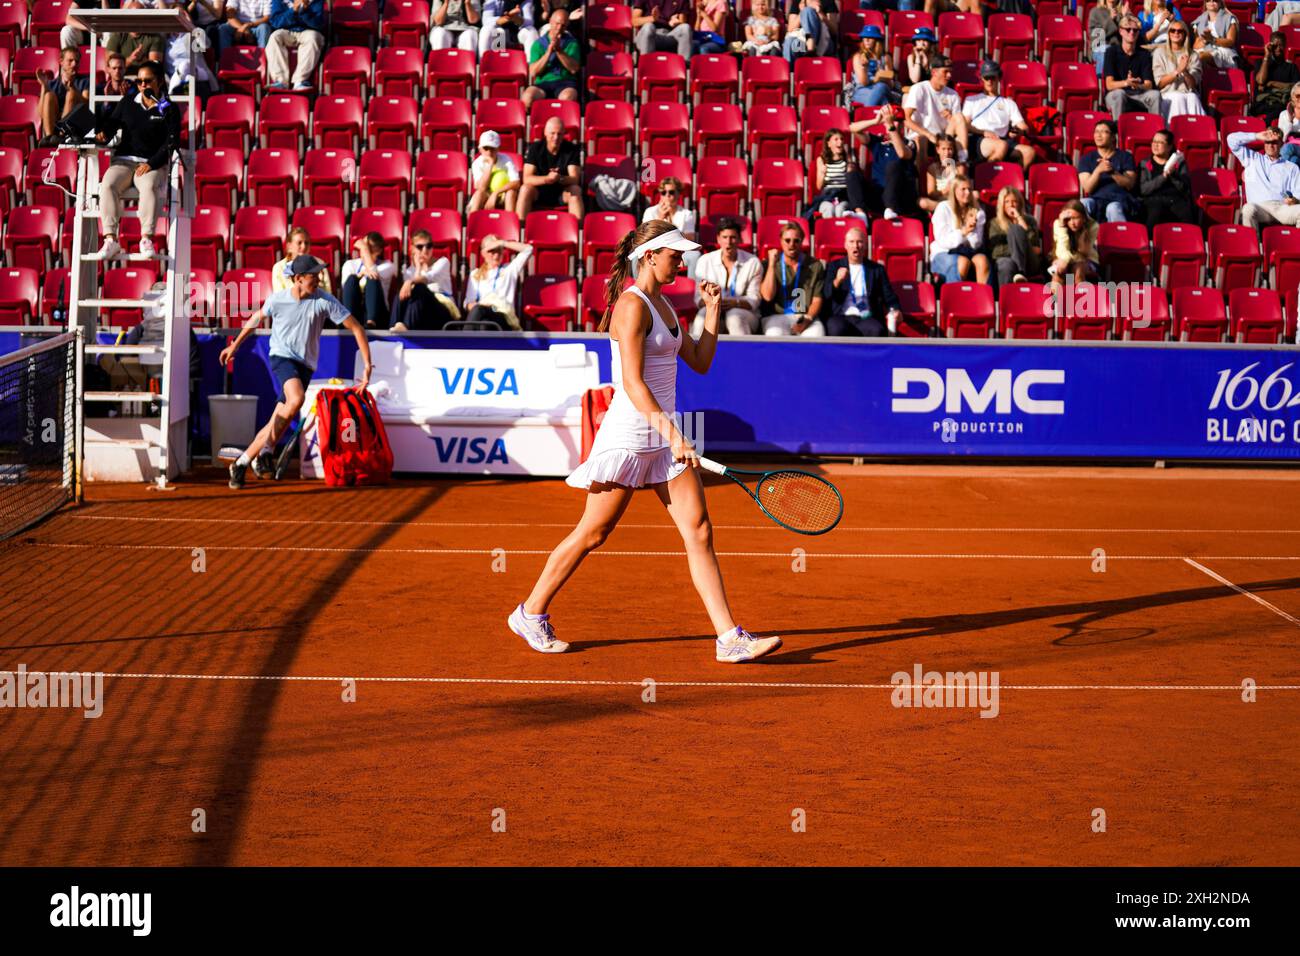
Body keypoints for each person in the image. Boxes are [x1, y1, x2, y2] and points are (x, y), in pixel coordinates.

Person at [510, 220, 783, 663]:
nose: (683, 259)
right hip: (631, 436)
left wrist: (711, 311)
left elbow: (700, 361)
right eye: (675, 253)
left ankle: (729, 637)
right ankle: (530, 612)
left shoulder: (666, 306)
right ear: (650, 256)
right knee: (594, 532)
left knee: (699, 530)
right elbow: (634, 384)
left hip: (665, 437)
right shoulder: (632, 307)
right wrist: (676, 436)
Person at [219, 254, 374, 489]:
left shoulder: (325, 300)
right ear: (299, 279)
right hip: (281, 357)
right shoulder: (278, 299)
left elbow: (357, 328)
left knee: (279, 416)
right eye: (314, 275)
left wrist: (367, 364)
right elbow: (255, 319)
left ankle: (241, 462)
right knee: (297, 398)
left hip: (305, 365)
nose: (319, 278)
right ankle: (267, 452)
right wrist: (234, 345)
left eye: (320, 273)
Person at [94, 61, 181, 261]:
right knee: (107, 184)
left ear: (159, 81)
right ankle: (110, 239)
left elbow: (172, 141)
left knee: (149, 185)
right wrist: (102, 132)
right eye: (139, 81)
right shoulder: (127, 102)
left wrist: (152, 163)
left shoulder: (168, 108)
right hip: (124, 161)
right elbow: (110, 127)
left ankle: (146, 238)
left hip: (150, 163)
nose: (143, 85)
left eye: (147, 81)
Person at [822, 226, 902, 337]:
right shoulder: (834, 267)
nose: (856, 246)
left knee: (877, 330)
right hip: (840, 315)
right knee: (835, 329)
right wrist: (837, 281)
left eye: (860, 242)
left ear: (865, 246)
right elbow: (825, 294)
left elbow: (889, 296)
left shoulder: (876, 269)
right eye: (852, 242)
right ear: (845, 245)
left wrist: (896, 310)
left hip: (866, 317)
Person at [690, 217, 761, 335]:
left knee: (734, 317)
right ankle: (696, 352)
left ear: (739, 239)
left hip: (745, 312)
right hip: (712, 308)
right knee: (701, 318)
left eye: (733, 237)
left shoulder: (753, 262)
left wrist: (735, 303)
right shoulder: (704, 261)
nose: (728, 242)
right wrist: (712, 303)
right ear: (718, 239)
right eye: (724, 237)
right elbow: (698, 298)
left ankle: (744, 353)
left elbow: (754, 300)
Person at [962, 60, 1037, 169]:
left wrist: (1017, 131)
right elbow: (965, 124)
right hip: (979, 138)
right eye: (986, 78)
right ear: (982, 79)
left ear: (999, 78)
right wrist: (983, 132)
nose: (989, 81)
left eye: (993, 77)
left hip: (1002, 140)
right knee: (1001, 146)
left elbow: (1024, 127)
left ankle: (1011, 180)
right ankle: (983, 177)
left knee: (1029, 152)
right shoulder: (972, 100)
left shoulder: (1009, 103)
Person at [849, 104, 919, 220]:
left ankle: (890, 208)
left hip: (899, 198)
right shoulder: (878, 141)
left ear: (902, 125)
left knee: (893, 166)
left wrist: (891, 126)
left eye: (897, 121)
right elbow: (852, 128)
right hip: (878, 195)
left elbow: (902, 153)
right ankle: (860, 214)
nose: (894, 124)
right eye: (892, 121)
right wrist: (875, 121)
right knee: (852, 174)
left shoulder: (909, 144)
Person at [759, 220, 826, 335]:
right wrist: (771, 265)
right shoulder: (768, 264)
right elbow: (767, 296)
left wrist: (807, 319)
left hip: (805, 315)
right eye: (787, 240)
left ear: (802, 242)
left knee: (817, 335)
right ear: (780, 241)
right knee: (774, 334)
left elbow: (817, 300)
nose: (791, 244)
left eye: (796, 241)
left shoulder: (815, 265)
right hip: (776, 316)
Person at [1227, 125, 1300, 230]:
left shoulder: (1292, 167)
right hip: (1260, 207)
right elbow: (1231, 140)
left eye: (1274, 142)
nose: (1270, 145)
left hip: (1281, 208)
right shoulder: (1252, 159)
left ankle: (1296, 245)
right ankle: (1253, 245)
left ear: (1281, 144)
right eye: (1268, 141)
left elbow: (1298, 193)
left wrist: (1294, 200)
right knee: (1247, 209)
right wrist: (1257, 136)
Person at [902, 54, 968, 165]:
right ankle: (921, 179)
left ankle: (963, 160)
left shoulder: (953, 94)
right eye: (945, 71)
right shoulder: (919, 88)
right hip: (921, 135)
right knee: (921, 139)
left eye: (950, 72)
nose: (949, 75)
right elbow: (905, 118)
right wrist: (928, 135)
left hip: (943, 137)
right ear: (934, 72)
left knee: (959, 117)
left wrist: (951, 118)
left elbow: (958, 124)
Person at [517, 116, 583, 219]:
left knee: (576, 190)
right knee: (525, 189)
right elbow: (526, 178)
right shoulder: (535, 148)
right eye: (552, 133)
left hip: (562, 192)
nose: (556, 137)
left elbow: (574, 179)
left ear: (564, 134)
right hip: (539, 192)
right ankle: (520, 228)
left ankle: (577, 230)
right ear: (545, 133)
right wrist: (547, 179)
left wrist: (559, 178)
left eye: (559, 134)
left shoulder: (571, 149)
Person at [391, 231, 458, 331]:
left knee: (419, 288)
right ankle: (394, 326)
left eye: (429, 246)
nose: (425, 250)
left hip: (441, 310)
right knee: (400, 294)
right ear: (413, 249)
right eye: (420, 247)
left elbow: (428, 278)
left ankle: (407, 327)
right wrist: (418, 268)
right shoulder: (409, 271)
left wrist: (410, 281)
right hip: (421, 313)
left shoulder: (442, 262)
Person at [930, 174, 990, 284]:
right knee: (962, 262)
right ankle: (955, 298)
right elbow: (943, 241)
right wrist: (963, 232)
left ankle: (983, 298)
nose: (967, 193)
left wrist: (971, 231)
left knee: (982, 261)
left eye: (969, 189)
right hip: (944, 253)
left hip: (968, 252)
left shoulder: (977, 211)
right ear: (954, 191)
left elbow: (977, 244)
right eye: (963, 189)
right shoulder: (943, 208)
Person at [464, 235, 532, 328]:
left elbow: (528, 249)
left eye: (499, 251)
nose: (496, 256)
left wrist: (502, 242)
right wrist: (482, 305)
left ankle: (464, 340)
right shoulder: (475, 274)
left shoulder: (509, 270)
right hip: (482, 314)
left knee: (480, 312)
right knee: (484, 322)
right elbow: (468, 303)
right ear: (483, 253)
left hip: (503, 315)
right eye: (491, 251)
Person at [801, 128, 868, 222]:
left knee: (840, 209)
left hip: (843, 195)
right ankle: (829, 232)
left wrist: (851, 169)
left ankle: (840, 232)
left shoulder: (847, 158)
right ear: (829, 143)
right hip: (827, 195)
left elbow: (853, 182)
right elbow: (819, 186)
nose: (840, 142)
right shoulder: (822, 160)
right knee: (829, 208)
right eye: (836, 139)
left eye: (841, 139)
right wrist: (823, 174)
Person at [1078, 119, 1138, 223]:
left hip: (1119, 200)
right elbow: (1087, 188)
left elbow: (1130, 184)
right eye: (1096, 132)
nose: (1099, 135)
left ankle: (1120, 237)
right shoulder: (1086, 159)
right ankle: (1082, 238)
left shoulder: (1126, 157)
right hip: (1096, 200)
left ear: (1113, 136)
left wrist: (1112, 172)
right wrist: (1098, 170)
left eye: (1104, 132)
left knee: (1113, 208)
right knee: (1083, 203)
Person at [1104, 14, 1162, 119]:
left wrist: (1138, 85)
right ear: (1121, 31)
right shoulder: (1111, 52)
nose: (1132, 32)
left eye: (1135, 30)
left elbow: (1148, 84)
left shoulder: (1144, 54)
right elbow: (1109, 85)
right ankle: (1118, 131)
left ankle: (1156, 133)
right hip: (1117, 94)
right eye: (1128, 29)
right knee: (1119, 94)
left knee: (1155, 95)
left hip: (1138, 93)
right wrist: (1127, 82)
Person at [522, 7, 580, 108]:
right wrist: (548, 52)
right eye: (557, 24)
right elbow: (533, 72)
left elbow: (574, 69)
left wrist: (559, 50)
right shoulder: (538, 44)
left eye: (563, 25)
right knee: (527, 97)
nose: (559, 28)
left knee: (569, 97)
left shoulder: (572, 43)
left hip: (565, 82)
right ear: (550, 21)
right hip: (543, 83)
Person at [986, 186, 1043, 286]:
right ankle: (1006, 299)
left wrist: (1019, 219)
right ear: (1001, 204)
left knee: (1015, 229)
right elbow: (996, 252)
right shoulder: (994, 223)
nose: (1011, 205)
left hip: (1029, 262)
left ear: (1019, 203)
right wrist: (1019, 247)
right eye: (1007, 201)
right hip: (1004, 259)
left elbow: (1036, 248)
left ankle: (1020, 272)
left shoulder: (1030, 220)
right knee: (1006, 265)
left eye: (1014, 201)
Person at [341, 232, 398, 329]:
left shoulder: (388, 265)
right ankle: (349, 324)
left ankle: (371, 323)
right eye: (364, 246)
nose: (365, 249)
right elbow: (345, 288)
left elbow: (374, 273)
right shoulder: (350, 264)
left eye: (368, 247)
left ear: (379, 250)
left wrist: (364, 249)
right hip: (356, 311)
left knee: (372, 278)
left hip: (378, 313)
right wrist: (362, 274)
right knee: (352, 279)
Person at [1138, 129, 1193, 229]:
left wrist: (1173, 175)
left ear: (1169, 146)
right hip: (1153, 199)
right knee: (1155, 211)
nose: (1155, 145)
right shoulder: (1145, 164)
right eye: (1154, 142)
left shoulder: (1179, 163)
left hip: (1175, 199)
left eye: (1160, 142)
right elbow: (1143, 189)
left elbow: (1185, 189)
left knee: (1186, 212)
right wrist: (1163, 177)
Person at [642, 175, 699, 273]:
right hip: (656, 250)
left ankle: (693, 287)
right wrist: (660, 219)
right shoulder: (650, 212)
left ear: (678, 194)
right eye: (664, 192)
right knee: (637, 256)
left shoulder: (686, 214)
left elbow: (691, 238)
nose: (667, 195)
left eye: (671, 192)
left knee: (695, 256)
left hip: (679, 251)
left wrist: (671, 226)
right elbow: (645, 236)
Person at [266, 0, 325, 92]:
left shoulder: (315, 1)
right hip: (286, 31)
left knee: (313, 37)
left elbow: (318, 24)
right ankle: (281, 81)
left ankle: (300, 81)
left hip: (308, 31)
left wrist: (305, 12)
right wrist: (293, 10)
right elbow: (276, 23)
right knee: (274, 37)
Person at [1153, 20, 1206, 120]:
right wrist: (1177, 71)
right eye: (1172, 31)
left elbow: (1193, 85)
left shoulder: (1193, 55)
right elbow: (1159, 83)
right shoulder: (1159, 53)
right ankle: (1177, 130)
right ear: (1168, 34)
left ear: (1185, 34)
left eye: (1179, 31)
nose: (1176, 33)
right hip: (1167, 94)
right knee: (1178, 97)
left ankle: (1198, 132)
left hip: (1188, 93)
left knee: (1193, 98)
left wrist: (1185, 72)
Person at [37, 47, 89, 144]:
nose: (74, 64)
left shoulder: (85, 81)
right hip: (54, 129)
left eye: (76, 61)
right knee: (48, 95)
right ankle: (49, 138)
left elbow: (86, 105)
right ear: (61, 62)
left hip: (74, 128)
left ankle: (62, 135)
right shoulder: (51, 84)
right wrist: (44, 86)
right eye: (70, 61)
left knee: (71, 94)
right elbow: (40, 114)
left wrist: (73, 89)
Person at [468, 130, 520, 213]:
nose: (489, 152)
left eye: (492, 148)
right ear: (480, 149)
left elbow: (516, 183)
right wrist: (490, 164)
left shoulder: (506, 159)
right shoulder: (477, 163)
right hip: (486, 194)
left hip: (503, 193)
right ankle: (472, 223)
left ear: (498, 148)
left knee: (511, 193)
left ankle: (510, 222)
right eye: (486, 148)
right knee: (478, 194)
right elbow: (481, 188)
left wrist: (496, 193)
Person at [1050, 201, 1100, 286]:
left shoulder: (1093, 226)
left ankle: (1080, 298)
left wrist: (1065, 260)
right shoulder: (1059, 224)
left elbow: (1085, 252)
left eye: (1076, 218)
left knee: (1078, 271)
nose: (1072, 222)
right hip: (1064, 258)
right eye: (1069, 219)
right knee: (1058, 274)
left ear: (1084, 218)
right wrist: (1062, 227)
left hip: (1088, 260)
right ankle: (1056, 299)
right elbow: (1062, 250)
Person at [1253, 29, 1300, 119]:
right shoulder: (1261, 63)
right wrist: (1266, 55)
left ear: (1285, 46)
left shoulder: (1291, 67)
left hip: (1283, 103)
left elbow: (1296, 87)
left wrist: (1271, 83)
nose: (1278, 48)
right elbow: (1261, 80)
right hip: (1264, 103)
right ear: (1270, 46)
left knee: (1285, 109)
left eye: (1281, 45)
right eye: (1275, 45)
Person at [272, 227, 334, 294]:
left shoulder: (319, 264)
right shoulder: (279, 267)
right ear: (289, 246)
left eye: (306, 243)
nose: (304, 246)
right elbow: (279, 296)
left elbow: (328, 293)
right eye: (299, 243)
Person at [848, 24, 894, 108]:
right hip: (862, 91)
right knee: (884, 99)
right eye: (864, 37)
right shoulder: (858, 57)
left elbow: (891, 85)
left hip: (883, 88)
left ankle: (866, 117)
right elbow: (863, 82)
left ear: (877, 40)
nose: (867, 40)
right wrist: (864, 68)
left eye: (870, 37)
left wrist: (883, 77)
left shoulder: (886, 58)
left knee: (881, 87)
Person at [919, 133, 964, 213]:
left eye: (950, 149)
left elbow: (962, 188)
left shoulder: (959, 167)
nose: (947, 153)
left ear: (953, 150)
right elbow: (931, 193)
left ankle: (953, 209)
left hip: (956, 201)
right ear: (937, 150)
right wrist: (945, 191)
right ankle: (948, 209)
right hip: (939, 203)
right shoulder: (932, 168)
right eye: (943, 149)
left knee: (975, 194)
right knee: (923, 202)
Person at [782, 0, 838, 65]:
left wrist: (820, 13)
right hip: (803, 43)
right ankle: (789, 72)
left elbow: (834, 30)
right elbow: (790, 28)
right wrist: (801, 12)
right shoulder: (798, 2)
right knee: (790, 42)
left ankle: (811, 46)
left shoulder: (828, 2)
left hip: (823, 41)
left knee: (808, 11)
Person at [1191, 0, 1240, 70]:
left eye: (1215, 0)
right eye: (1208, 0)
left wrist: (1212, 39)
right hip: (1205, 49)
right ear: (1205, 3)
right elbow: (1195, 46)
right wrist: (1205, 41)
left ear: (1220, 2)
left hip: (1223, 51)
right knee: (1190, 57)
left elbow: (1231, 42)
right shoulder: (1199, 21)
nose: (1211, 1)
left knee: (1200, 56)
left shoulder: (1229, 18)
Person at [1090, 0, 1126, 80]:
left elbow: (1131, 34)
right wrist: (1110, 20)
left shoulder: (1123, 11)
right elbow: (1097, 38)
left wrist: (1125, 17)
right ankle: (1102, 82)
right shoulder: (1095, 12)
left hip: (1119, 48)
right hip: (1100, 47)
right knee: (1107, 50)